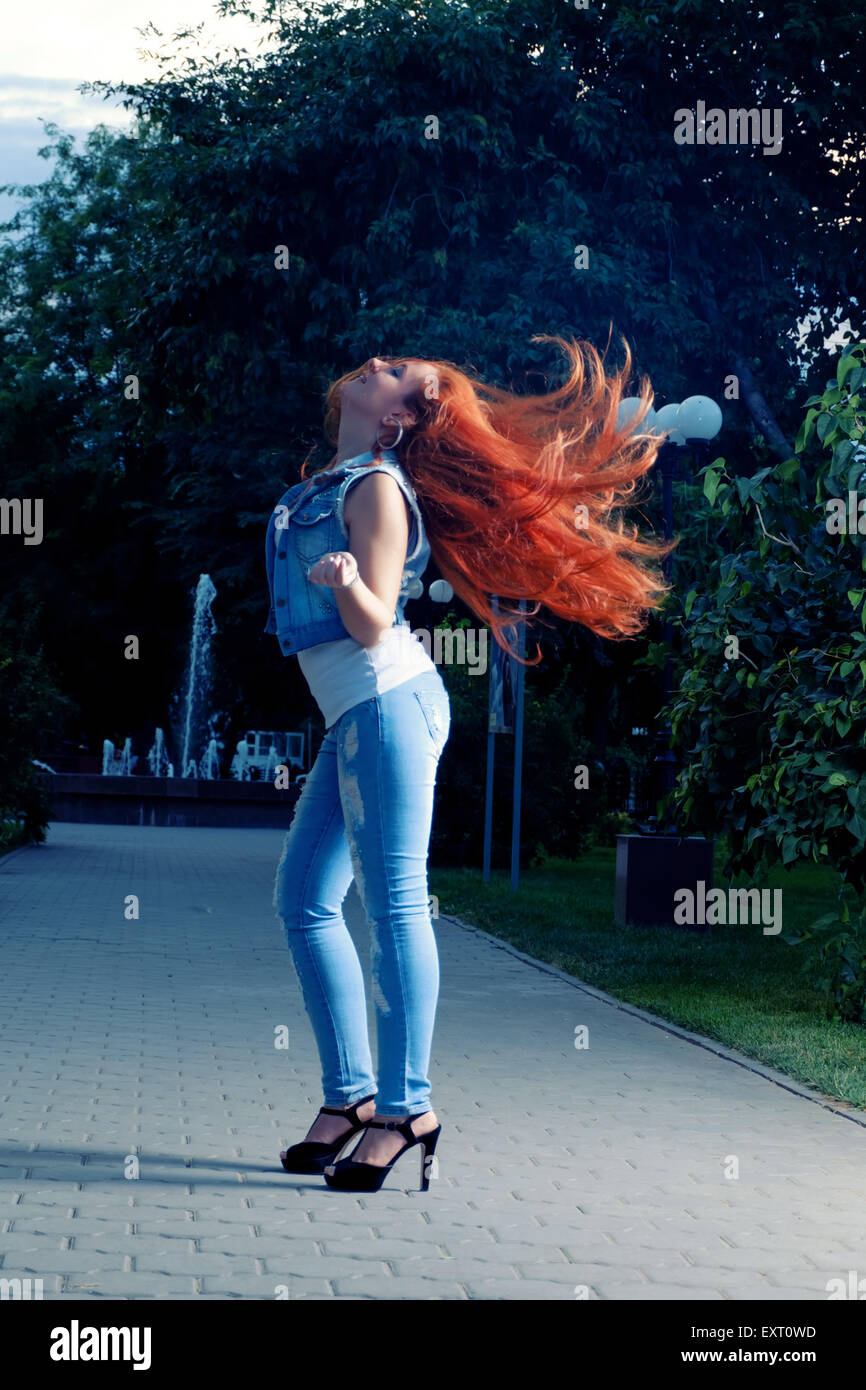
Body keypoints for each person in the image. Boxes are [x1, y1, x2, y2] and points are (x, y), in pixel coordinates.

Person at [265, 337, 673, 1192]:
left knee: (394, 903)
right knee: (303, 900)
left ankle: (406, 1108)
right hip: (357, 716)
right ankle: (349, 1098)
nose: (378, 363)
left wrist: (344, 580)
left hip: (388, 705)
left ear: (399, 418)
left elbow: (374, 622)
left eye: (397, 375)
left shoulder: (376, 487)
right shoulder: (329, 480)